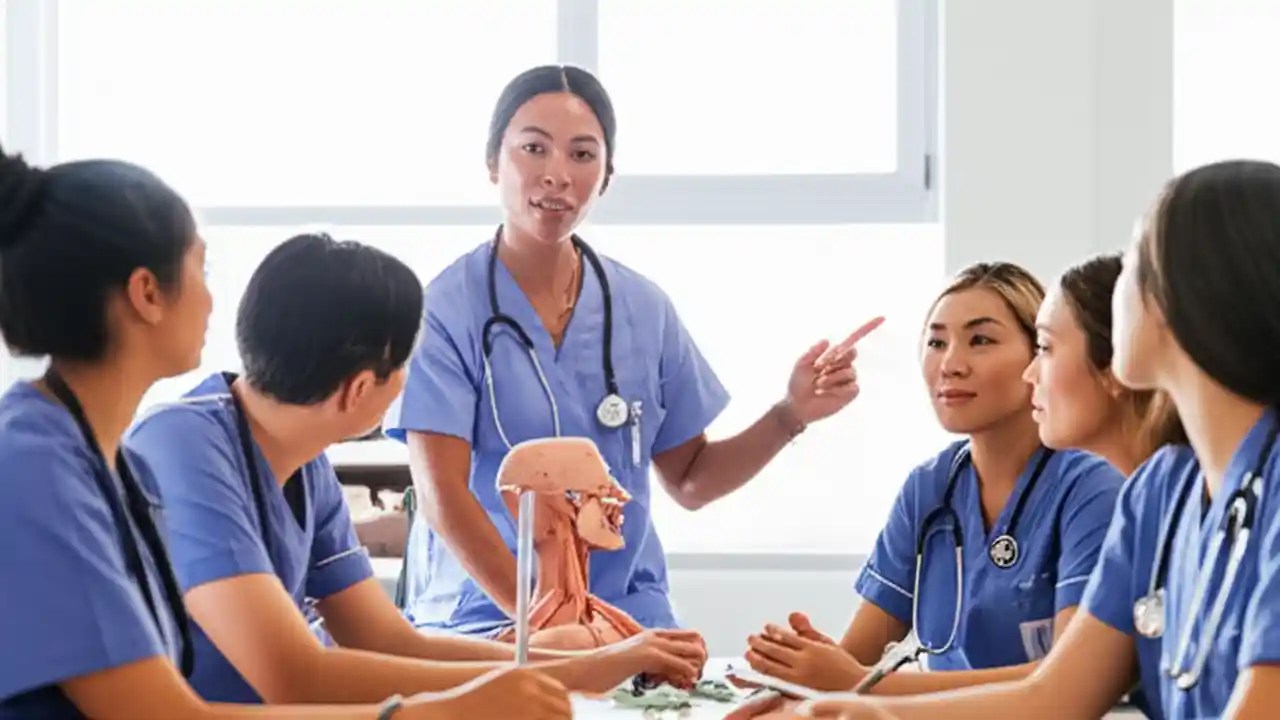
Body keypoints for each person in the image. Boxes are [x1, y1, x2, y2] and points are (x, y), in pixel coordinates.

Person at [0, 149, 570, 719]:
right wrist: (432, 713)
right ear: (147, 294)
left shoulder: (114, 467)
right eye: (201, 269)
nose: (211, 299)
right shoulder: (37, 466)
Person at [381, 63, 883, 637]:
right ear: (494, 162)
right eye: (533, 149)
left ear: (606, 176)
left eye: (582, 154)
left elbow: (691, 480)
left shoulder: (643, 309)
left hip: (628, 617)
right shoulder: (446, 309)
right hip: (486, 615)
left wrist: (791, 414)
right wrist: (543, 623)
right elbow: (441, 496)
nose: (556, 175)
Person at [124, 232, 705, 708]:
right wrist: (464, 702)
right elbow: (291, 674)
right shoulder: (180, 445)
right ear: (357, 390)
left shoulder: (306, 469)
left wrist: (594, 663)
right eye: (404, 366)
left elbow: (386, 639)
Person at [798, 159, 1280, 720]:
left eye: (1135, 264)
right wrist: (875, 713)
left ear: (1195, 296)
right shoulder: (1158, 492)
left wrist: (870, 692)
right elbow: (1056, 696)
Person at [741, 262, 1126, 698]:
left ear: (1037, 356)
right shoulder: (931, 488)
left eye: (980, 340)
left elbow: (1067, 678)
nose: (950, 364)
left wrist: (851, 683)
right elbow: (858, 663)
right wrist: (799, 672)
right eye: (936, 342)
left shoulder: (1093, 487)